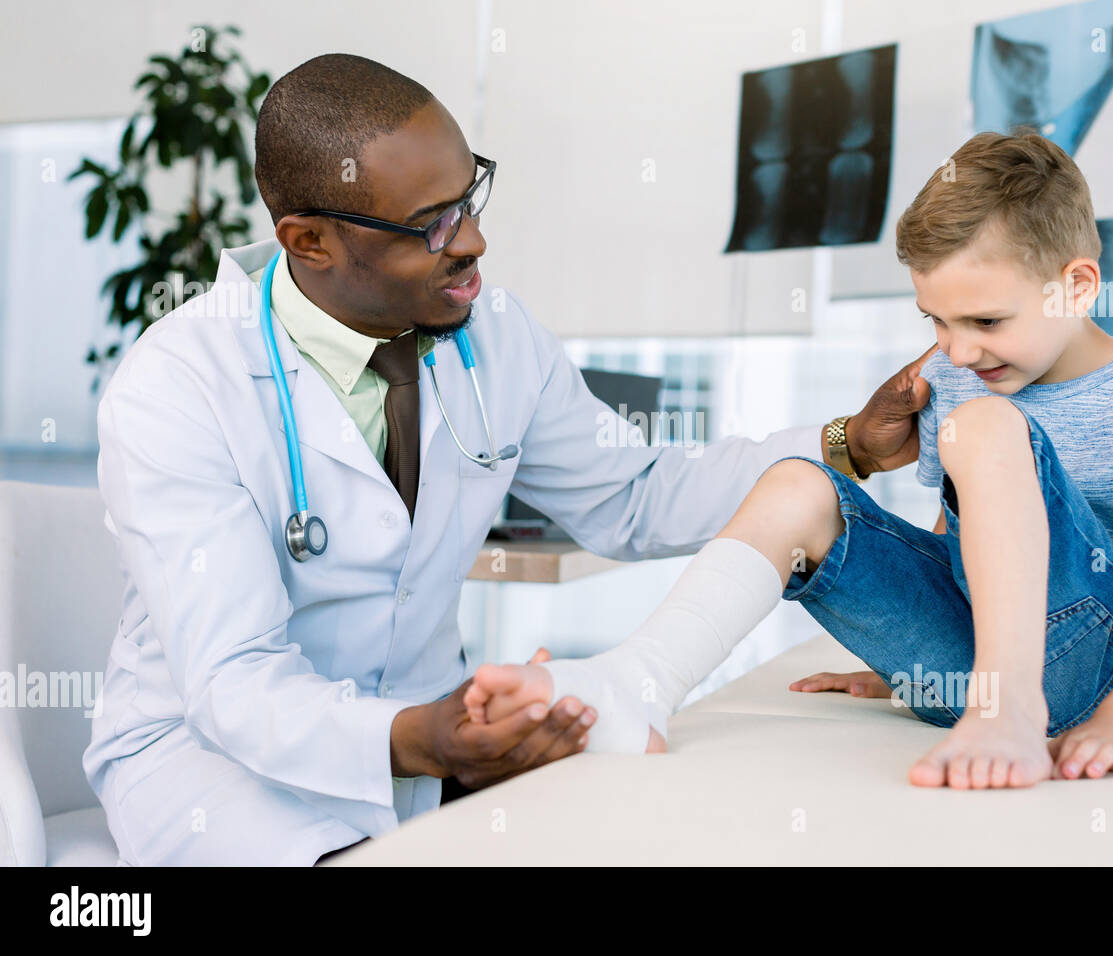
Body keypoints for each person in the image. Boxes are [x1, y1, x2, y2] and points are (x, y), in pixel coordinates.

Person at [83, 52, 935, 866]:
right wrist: (418, 737)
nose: (475, 243)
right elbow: (235, 684)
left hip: (435, 742)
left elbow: (633, 498)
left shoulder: (492, 334)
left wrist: (848, 446)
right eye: (433, 226)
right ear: (309, 241)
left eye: (471, 197)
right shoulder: (179, 388)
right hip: (217, 771)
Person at [466, 130, 1113, 790]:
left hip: (1100, 671)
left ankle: (1006, 705)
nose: (955, 350)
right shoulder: (963, 372)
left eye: (986, 320)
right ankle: (638, 682)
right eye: (936, 320)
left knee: (987, 428)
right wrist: (913, 660)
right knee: (799, 482)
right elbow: (957, 552)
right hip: (975, 663)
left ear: (1077, 286)